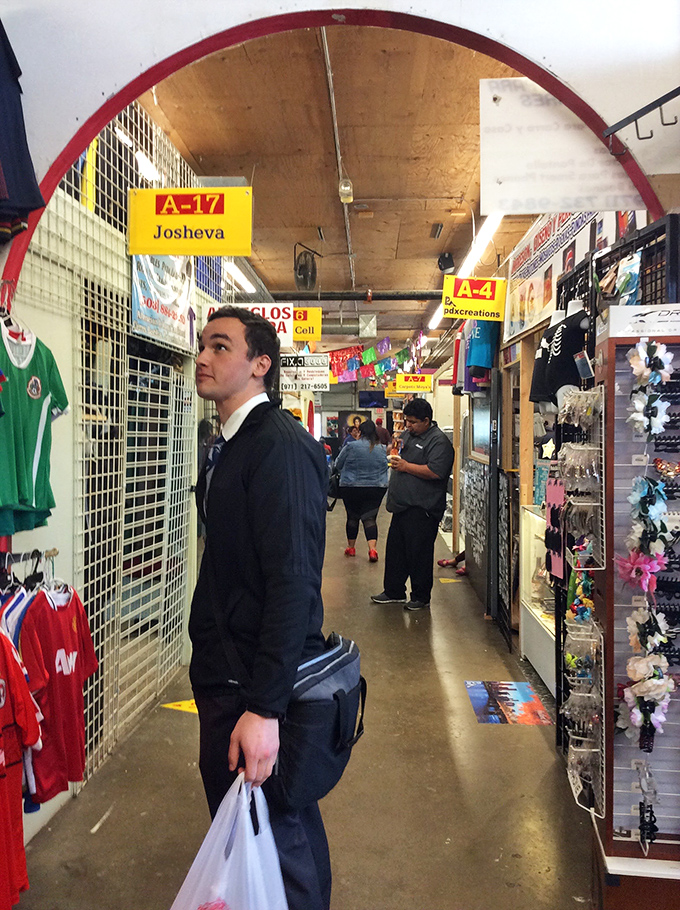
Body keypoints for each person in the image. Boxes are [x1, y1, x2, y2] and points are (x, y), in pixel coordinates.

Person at [189, 305, 331, 910]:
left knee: (278, 832)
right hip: (228, 675)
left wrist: (265, 709)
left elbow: (293, 582)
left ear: (260, 365)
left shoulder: (277, 447)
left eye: (221, 347)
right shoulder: (231, 443)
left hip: (252, 684)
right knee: (256, 828)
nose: (203, 358)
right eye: (203, 345)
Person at [371, 398, 454, 612]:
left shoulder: (439, 442)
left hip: (423, 508)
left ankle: (420, 596)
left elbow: (436, 471)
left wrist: (406, 466)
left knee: (419, 554)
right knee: (396, 551)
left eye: (413, 422)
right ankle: (393, 591)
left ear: (427, 421)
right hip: (402, 506)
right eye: (406, 421)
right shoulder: (408, 435)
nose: (408, 425)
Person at [334, 418, 389, 562]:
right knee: (370, 518)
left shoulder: (351, 446)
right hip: (376, 488)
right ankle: (372, 550)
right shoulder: (382, 449)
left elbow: (338, 465)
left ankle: (351, 548)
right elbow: (385, 467)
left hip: (351, 488)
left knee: (352, 517)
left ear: (360, 432)